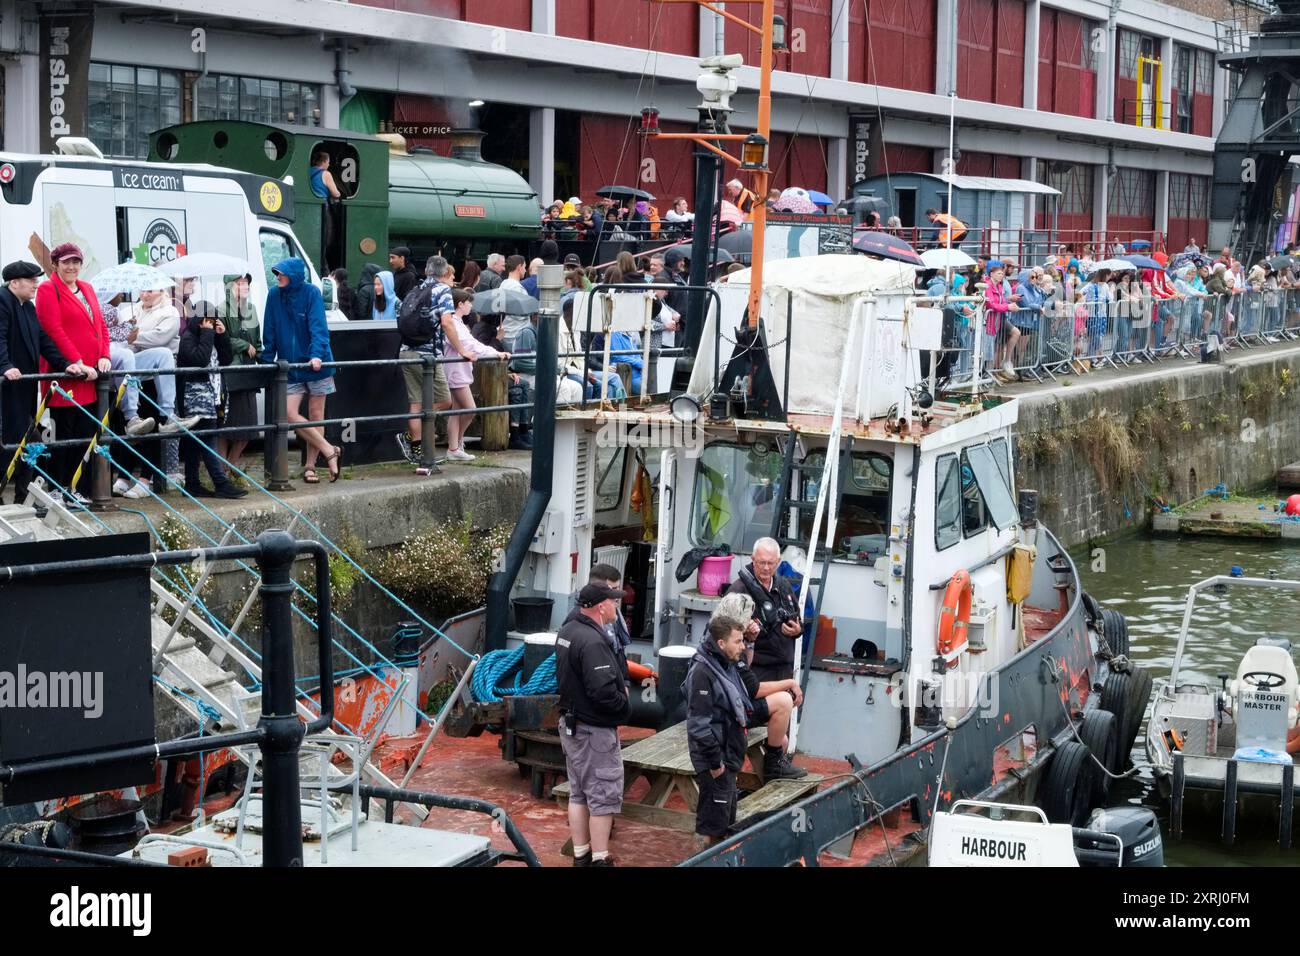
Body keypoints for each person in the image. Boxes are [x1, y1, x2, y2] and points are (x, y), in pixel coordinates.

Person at [555, 579, 632, 866]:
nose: (616, 605)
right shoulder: (593, 640)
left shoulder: (567, 631)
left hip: (572, 725)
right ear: (601, 607)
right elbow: (601, 691)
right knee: (602, 794)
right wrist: (624, 705)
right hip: (593, 731)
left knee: (579, 792)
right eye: (613, 601)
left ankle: (581, 855)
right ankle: (600, 859)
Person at [34, 243, 112, 505]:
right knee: (64, 434)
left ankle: (74, 487)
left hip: (90, 376)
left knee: (83, 434)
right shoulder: (48, 289)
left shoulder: (87, 288)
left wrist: (104, 355)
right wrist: (77, 363)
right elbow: (53, 330)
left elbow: (100, 324)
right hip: (67, 376)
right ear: (55, 264)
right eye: (66, 262)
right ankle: (58, 488)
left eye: (76, 262)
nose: (72, 267)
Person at [0, 260, 76, 505]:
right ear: (14, 283)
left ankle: (23, 496)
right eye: (31, 280)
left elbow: (43, 341)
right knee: (10, 441)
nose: (36, 284)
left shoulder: (28, 307)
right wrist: (5, 366)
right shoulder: (2, 302)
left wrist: (65, 364)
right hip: (7, 387)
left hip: (25, 387)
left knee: (28, 441)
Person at [260, 258, 340, 483]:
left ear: (293, 275)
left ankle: (310, 466)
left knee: (316, 415)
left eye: (281, 274)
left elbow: (319, 326)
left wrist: (316, 354)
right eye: (276, 274)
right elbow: (270, 329)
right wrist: (268, 359)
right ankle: (329, 450)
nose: (277, 277)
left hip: (316, 363)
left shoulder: (312, 293)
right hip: (290, 365)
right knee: (287, 413)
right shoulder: (274, 295)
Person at [395, 256, 476, 467]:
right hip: (428, 356)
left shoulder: (415, 290)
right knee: (443, 401)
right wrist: (462, 350)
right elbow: (447, 323)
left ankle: (416, 449)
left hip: (406, 351)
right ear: (444, 273)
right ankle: (412, 439)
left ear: (426, 270)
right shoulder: (442, 291)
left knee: (416, 404)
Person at [685, 617, 751, 845]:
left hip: (728, 757)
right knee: (715, 829)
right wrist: (716, 765)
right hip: (716, 762)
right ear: (721, 644)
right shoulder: (703, 673)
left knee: (725, 825)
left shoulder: (725, 665)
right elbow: (698, 726)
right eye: (739, 641)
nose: (743, 646)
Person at [176, 309, 245, 499]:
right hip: (195, 396)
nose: (211, 325)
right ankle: (221, 483)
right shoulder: (188, 337)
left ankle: (192, 484)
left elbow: (226, 359)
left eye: (214, 321)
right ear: (199, 321)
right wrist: (207, 334)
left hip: (213, 394)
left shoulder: (213, 336)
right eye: (208, 321)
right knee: (208, 437)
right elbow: (199, 360)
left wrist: (222, 337)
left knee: (194, 441)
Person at [725, 537, 802, 684]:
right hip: (755, 670)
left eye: (771, 563)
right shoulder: (738, 591)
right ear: (753, 559)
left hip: (784, 669)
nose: (766, 568)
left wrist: (797, 630)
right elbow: (722, 633)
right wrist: (746, 633)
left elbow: (799, 620)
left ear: (778, 562)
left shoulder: (784, 586)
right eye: (762, 562)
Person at [443, 287, 507, 461]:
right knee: (470, 409)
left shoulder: (457, 323)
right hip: (456, 371)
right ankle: (456, 444)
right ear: (460, 304)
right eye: (469, 303)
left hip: (459, 369)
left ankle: (454, 446)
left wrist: (492, 351)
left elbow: (471, 343)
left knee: (457, 410)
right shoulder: (453, 324)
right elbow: (470, 345)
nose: (471, 307)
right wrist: (495, 352)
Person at [218, 273, 263, 479]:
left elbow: (258, 343)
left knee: (249, 425)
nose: (243, 286)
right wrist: (245, 345)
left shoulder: (251, 309)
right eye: (239, 282)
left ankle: (230, 465)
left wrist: (265, 362)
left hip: (248, 373)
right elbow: (223, 340)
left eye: (246, 283)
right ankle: (221, 470)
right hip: (230, 372)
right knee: (226, 426)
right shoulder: (221, 309)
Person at [310, 150, 342, 271]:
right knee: (328, 238)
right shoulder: (326, 174)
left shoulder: (308, 171)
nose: (329, 164)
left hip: (311, 211)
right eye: (328, 162)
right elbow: (336, 193)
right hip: (323, 208)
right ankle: (325, 265)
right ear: (323, 161)